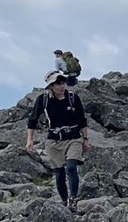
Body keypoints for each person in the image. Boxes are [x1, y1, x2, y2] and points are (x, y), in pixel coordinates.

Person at [25, 71, 90, 211]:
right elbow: (32, 120)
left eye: (63, 82)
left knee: (71, 167)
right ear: (51, 86)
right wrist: (30, 140)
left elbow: (82, 120)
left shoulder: (73, 98)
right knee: (59, 172)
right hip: (53, 141)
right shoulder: (43, 99)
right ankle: (64, 201)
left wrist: (85, 139)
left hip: (73, 137)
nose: (62, 86)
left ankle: (73, 200)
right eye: (58, 83)